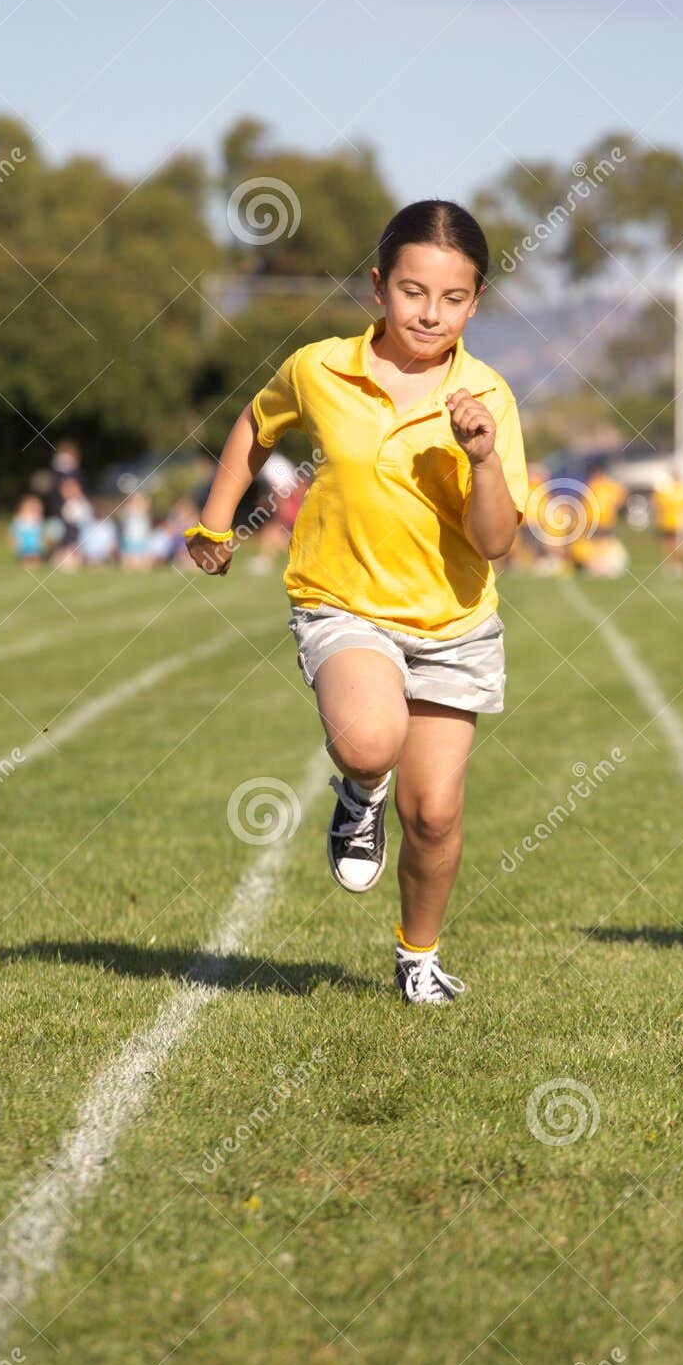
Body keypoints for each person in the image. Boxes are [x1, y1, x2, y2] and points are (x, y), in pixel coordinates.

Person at [184, 200, 528, 1005]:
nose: (430, 314)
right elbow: (254, 424)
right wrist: (215, 520)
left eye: (452, 298)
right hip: (342, 602)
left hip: (454, 623)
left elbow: (496, 543)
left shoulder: (490, 397)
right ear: (379, 286)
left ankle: (419, 956)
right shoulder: (318, 368)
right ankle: (358, 791)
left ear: (475, 301)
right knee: (371, 742)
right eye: (413, 292)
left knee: (436, 814)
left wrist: (481, 460)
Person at [653, 467, 683, 574]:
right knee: (670, 543)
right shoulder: (666, 488)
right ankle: (674, 564)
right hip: (669, 520)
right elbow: (658, 502)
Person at [9, 494, 45, 567]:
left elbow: (41, 532)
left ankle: (34, 560)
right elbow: (13, 532)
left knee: (35, 554)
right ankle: (27, 560)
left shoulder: (38, 520)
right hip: (23, 543)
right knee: (26, 555)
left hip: (35, 543)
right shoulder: (19, 520)